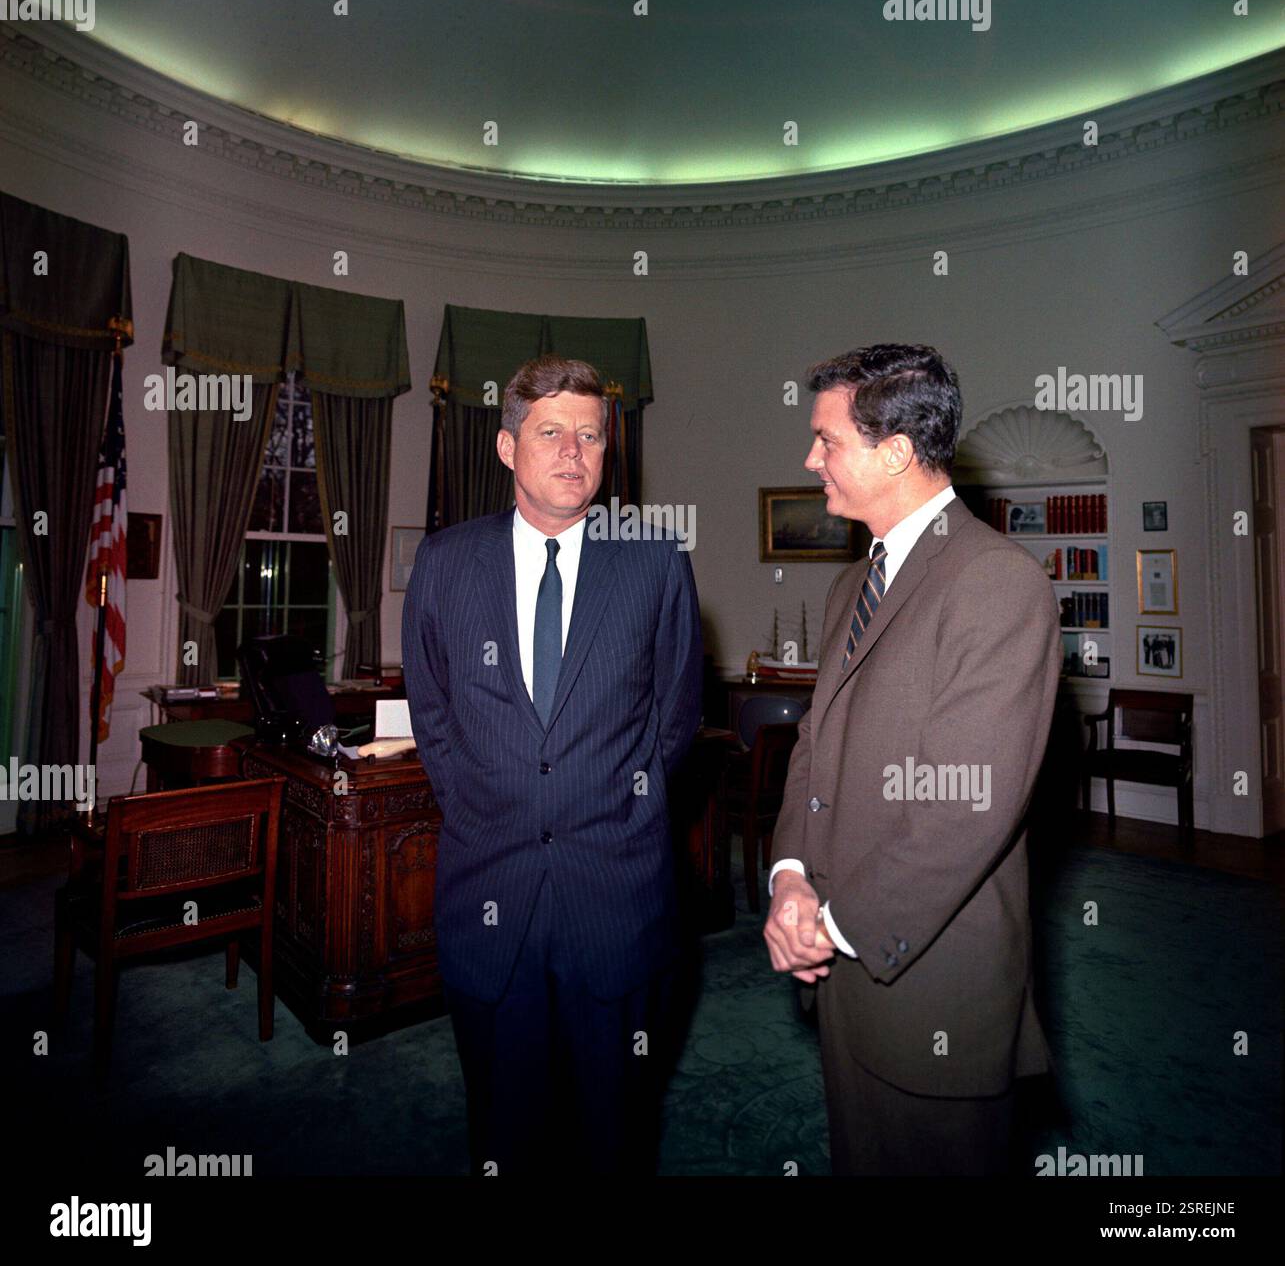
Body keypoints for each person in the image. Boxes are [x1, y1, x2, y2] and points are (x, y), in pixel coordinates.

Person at [763, 344, 1061, 1175]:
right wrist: (789, 876)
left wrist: (826, 927)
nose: (809, 458)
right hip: (843, 974)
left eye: (826, 440)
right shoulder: (849, 585)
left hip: (930, 981)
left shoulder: (996, 583)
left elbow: (965, 808)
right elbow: (814, 747)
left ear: (894, 452)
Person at [403, 354, 702, 1175]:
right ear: (506, 448)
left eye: (590, 435)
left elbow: (674, 722)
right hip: (487, 901)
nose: (573, 452)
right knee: (505, 1136)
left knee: (615, 1137)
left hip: (617, 903)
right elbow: (432, 715)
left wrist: (615, 808)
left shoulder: (655, 563)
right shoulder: (443, 565)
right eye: (550, 433)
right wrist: (486, 806)